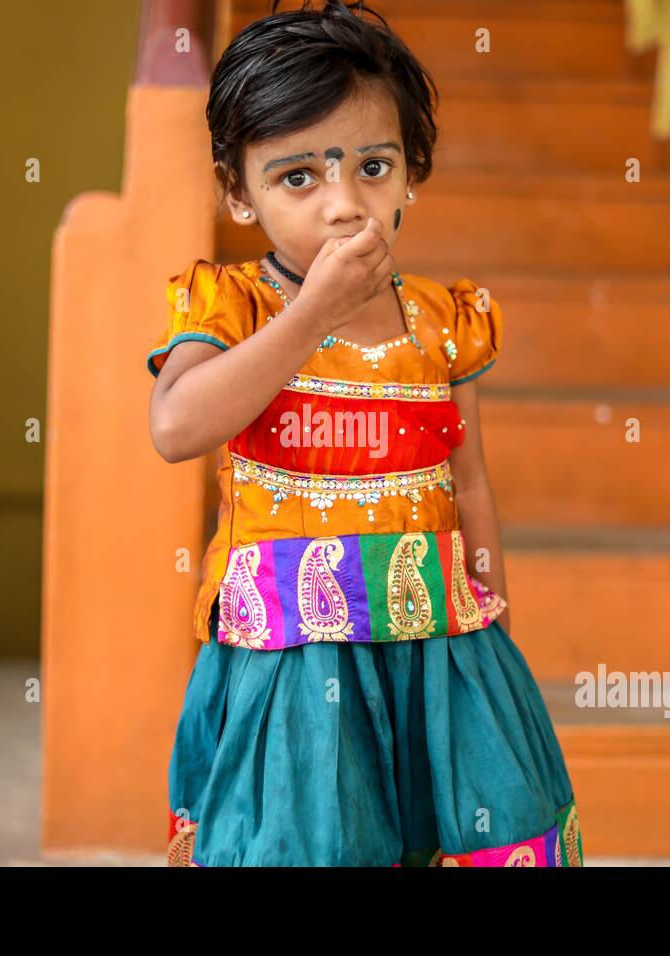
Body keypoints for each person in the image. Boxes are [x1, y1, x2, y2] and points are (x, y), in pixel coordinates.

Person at [146, 0, 583, 867]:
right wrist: (311, 315)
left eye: (373, 167)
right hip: (294, 663)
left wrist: (487, 618)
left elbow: (471, 481)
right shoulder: (233, 307)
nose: (344, 205)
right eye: (297, 177)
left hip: (439, 642)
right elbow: (176, 424)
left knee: (463, 827)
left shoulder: (443, 322)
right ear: (238, 191)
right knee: (315, 838)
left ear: (412, 173)